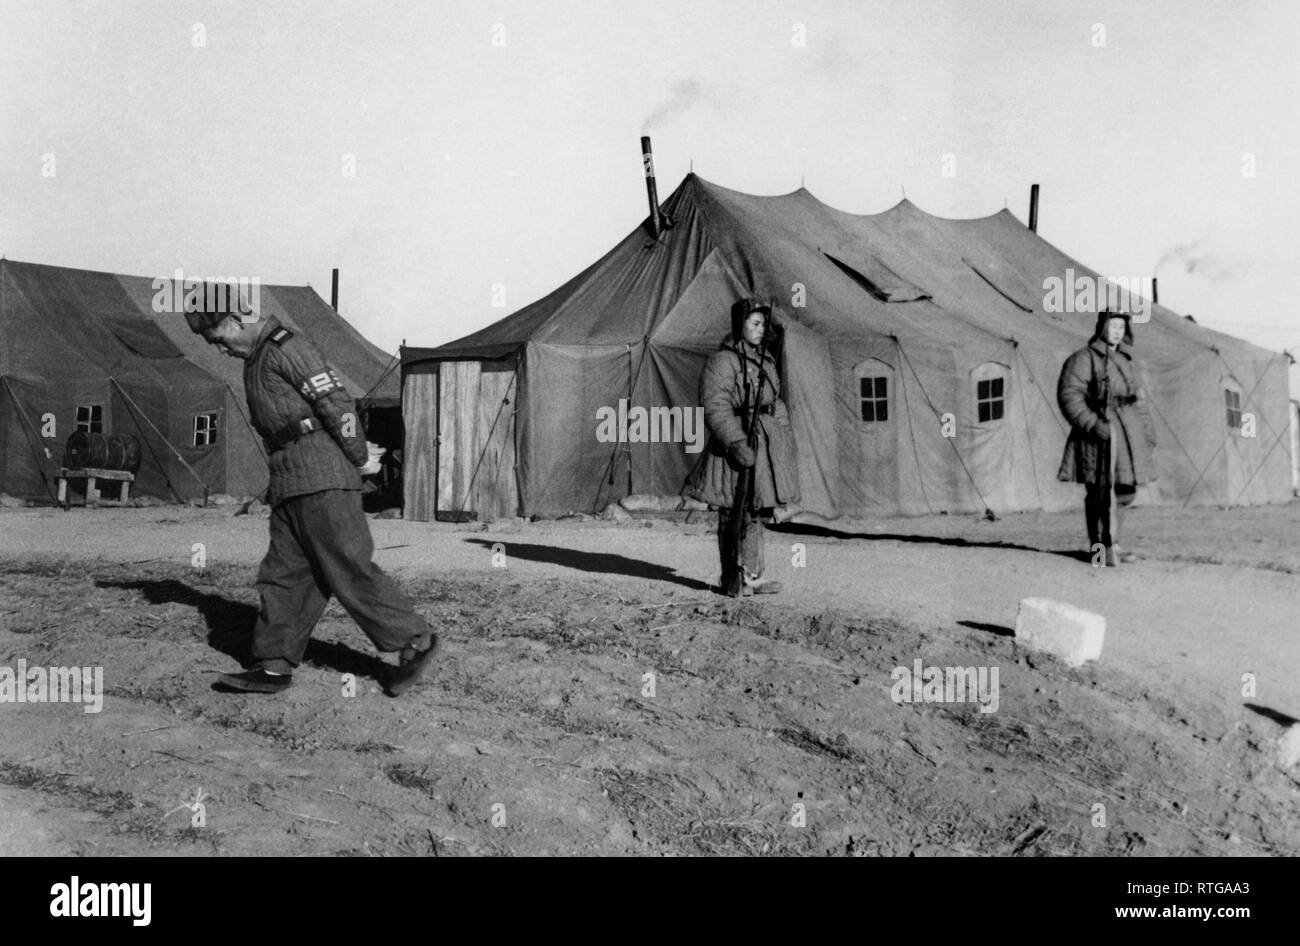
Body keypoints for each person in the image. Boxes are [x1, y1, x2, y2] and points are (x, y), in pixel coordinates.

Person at [185, 298, 439, 695]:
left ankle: (414, 640)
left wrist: (357, 456)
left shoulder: (287, 347)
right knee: (283, 574)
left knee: (346, 565)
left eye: (217, 338)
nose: (218, 349)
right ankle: (273, 666)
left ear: (235, 320)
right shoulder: (257, 357)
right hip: (291, 480)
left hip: (322, 476)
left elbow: (335, 401)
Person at [687, 298, 800, 595]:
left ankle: (752, 575)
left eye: (763, 324)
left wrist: (784, 440)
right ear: (741, 325)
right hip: (735, 445)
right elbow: (715, 406)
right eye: (755, 324)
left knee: (755, 510)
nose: (762, 330)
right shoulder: (722, 362)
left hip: (764, 445)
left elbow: (776, 405)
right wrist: (735, 442)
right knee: (732, 510)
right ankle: (732, 577)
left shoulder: (766, 360)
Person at [1057, 310, 1158, 566]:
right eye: (1113, 326)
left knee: (1125, 491)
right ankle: (1100, 552)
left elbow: (1138, 400)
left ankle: (1114, 545)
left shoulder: (1125, 360)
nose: (1117, 332)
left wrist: (1147, 432)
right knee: (1100, 493)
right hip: (1099, 434)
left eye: (1121, 328)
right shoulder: (1083, 358)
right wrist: (1093, 424)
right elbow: (1070, 396)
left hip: (1128, 434)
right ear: (1102, 327)